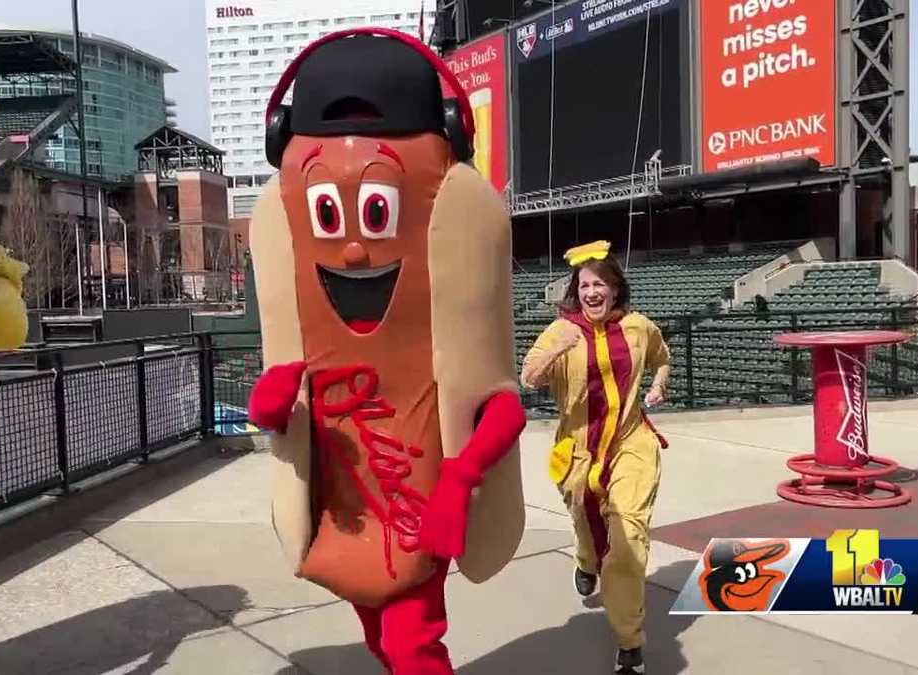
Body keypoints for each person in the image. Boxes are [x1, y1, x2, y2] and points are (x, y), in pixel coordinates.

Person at [246, 28, 525, 674]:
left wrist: (459, 479)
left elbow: (502, 404)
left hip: (416, 509)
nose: (350, 250)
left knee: (412, 644)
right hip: (345, 516)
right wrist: (273, 403)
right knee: (383, 640)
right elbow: (278, 407)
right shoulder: (303, 292)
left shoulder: (450, 267)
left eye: (376, 212)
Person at [520, 240, 672, 675]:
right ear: (576, 290)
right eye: (585, 284)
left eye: (600, 283)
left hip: (631, 443)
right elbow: (528, 377)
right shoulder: (560, 331)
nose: (592, 292)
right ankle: (586, 559)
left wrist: (658, 384)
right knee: (584, 519)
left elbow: (663, 357)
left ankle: (630, 644)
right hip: (579, 450)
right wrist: (556, 348)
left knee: (626, 535)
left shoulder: (640, 328)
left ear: (615, 288)